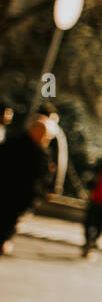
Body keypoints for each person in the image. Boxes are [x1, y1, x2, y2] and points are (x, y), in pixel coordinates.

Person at [0, 105, 59, 256]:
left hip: (8, 192)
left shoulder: (13, 143)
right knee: (9, 223)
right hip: (20, 197)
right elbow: (44, 179)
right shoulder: (43, 155)